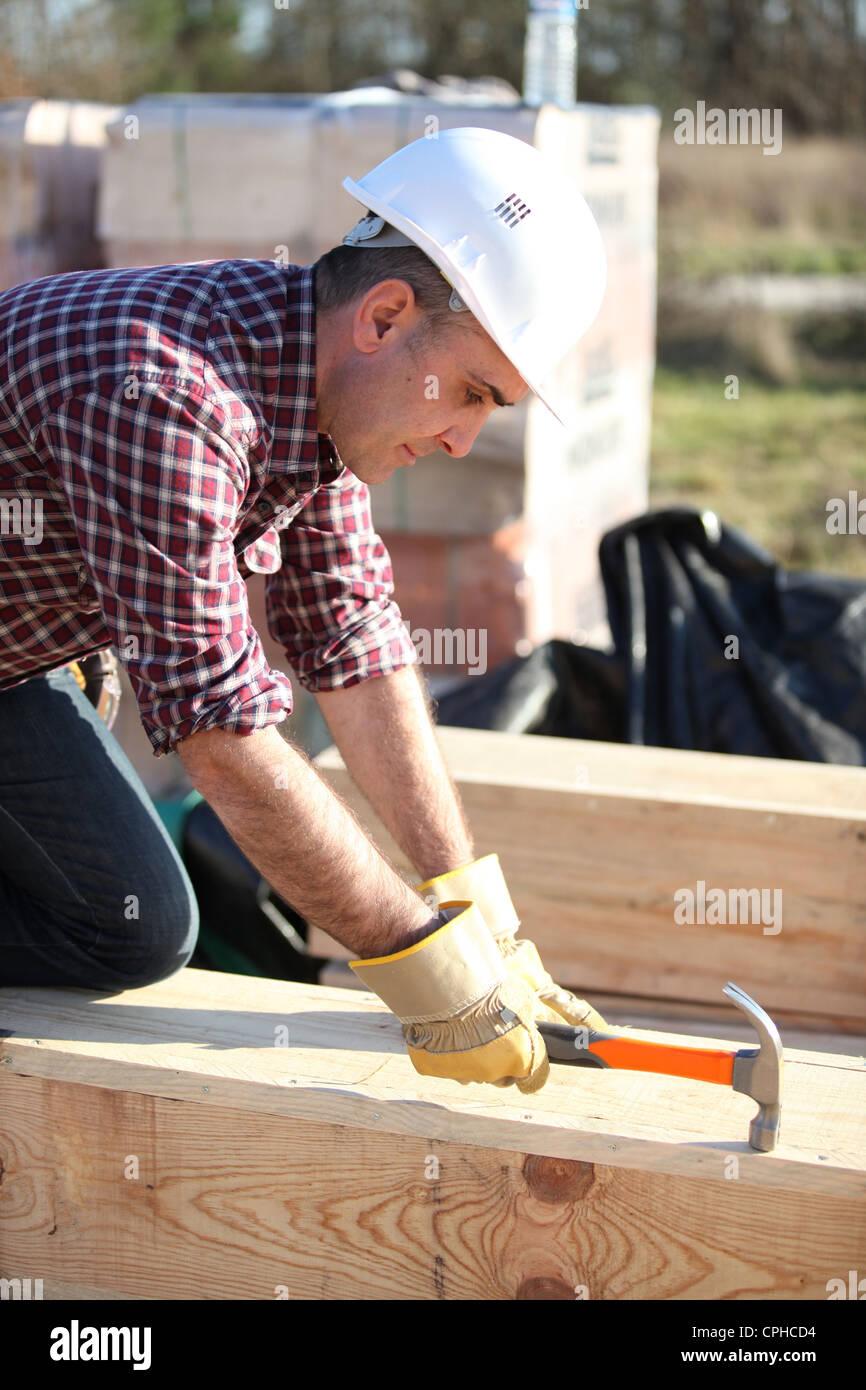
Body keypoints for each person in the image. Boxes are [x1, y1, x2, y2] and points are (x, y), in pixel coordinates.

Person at [0, 126, 606, 1093]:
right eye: (473, 394)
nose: (462, 440)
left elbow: (352, 635)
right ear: (385, 317)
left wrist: (469, 908)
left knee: (132, 925)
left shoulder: (311, 381)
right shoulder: (172, 395)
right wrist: (430, 975)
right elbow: (222, 732)